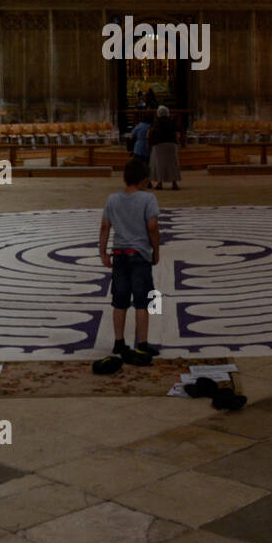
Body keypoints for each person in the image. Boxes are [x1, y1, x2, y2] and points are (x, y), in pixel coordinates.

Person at [98, 157, 160, 360]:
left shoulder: (112, 199)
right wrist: (156, 251)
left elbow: (105, 227)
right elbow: (152, 227)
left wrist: (103, 252)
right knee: (143, 302)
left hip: (119, 256)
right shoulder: (148, 199)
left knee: (119, 301)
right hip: (140, 255)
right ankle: (142, 344)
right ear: (143, 180)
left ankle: (119, 343)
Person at [148, 104, 181, 190]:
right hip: (171, 144)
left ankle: (160, 183)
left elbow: (150, 134)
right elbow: (177, 133)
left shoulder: (156, 122)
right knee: (173, 164)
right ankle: (174, 183)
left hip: (159, 145)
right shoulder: (172, 121)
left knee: (159, 164)